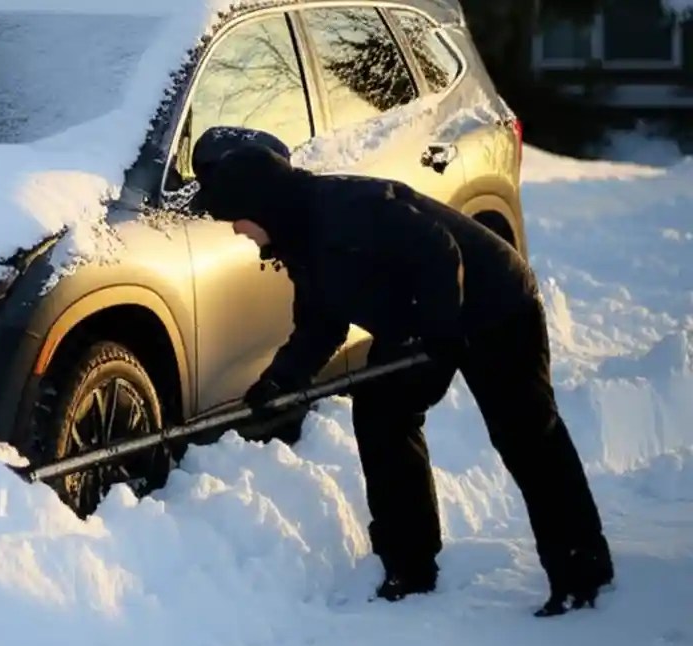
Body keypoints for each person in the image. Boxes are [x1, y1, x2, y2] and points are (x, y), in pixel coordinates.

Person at [190, 133, 613, 617]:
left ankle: (582, 571)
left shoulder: (345, 209)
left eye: (235, 219)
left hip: (496, 304)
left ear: (259, 207)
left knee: (525, 432)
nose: (237, 231)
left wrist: (439, 328)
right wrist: (280, 381)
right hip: (420, 319)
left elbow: (437, 249)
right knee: (382, 416)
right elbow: (321, 321)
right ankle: (409, 564)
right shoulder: (300, 238)